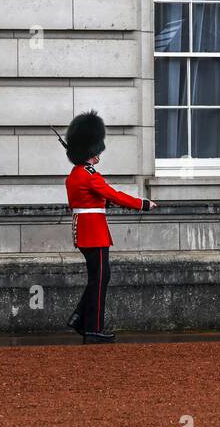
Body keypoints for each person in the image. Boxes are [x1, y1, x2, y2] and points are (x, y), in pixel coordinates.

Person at [61, 110, 156, 343]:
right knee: (101, 278)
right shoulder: (89, 175)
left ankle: (80, 319)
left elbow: (90, 201)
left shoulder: (74, 175)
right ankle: (93, 329)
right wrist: (143, 204)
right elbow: (114, 195)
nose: (97, 157)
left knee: (98, 278)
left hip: (84, 230)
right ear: (89, 152)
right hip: (94, 232)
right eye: (95, 152)